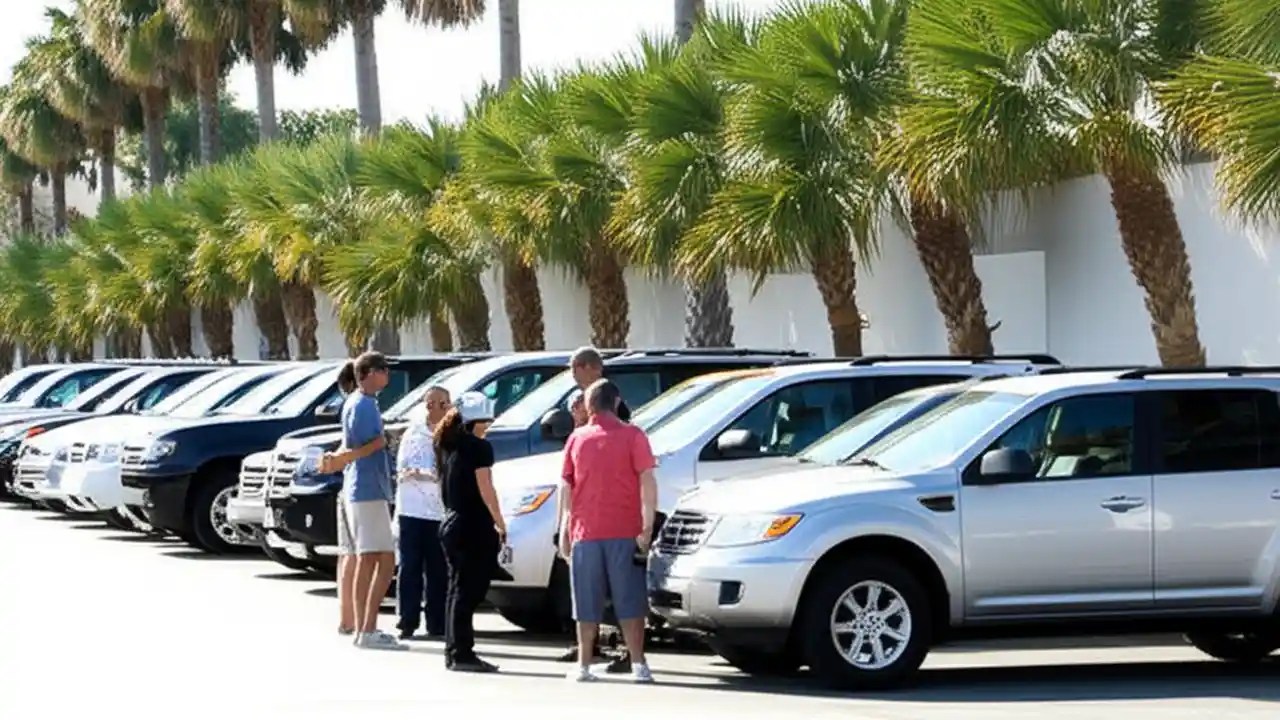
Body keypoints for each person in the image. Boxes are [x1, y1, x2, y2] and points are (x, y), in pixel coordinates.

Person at [559, 379, 658, 684]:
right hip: (624, 530)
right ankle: (639, 665)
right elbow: (647, 481)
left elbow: (566, 486)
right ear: (616, 403)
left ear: (588, 406)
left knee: (586, 602)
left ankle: (584, 665)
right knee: (629, 599)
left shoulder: (577, 439)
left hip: (585, 532)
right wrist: (647, 525)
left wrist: (563, 528)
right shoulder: (634, 435)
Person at [321, 351, 404, 651]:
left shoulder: (360, 403)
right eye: (383, 370)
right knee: (380, 558)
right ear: (368, 373)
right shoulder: (363, 404)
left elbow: (351, 446)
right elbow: (361, 445)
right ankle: (366, 628)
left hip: (366, 488)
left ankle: (361, 627)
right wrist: (381, 443)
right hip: (367, 489)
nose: (387, 375)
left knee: (368, 558)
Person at [436, 391, 505, 673]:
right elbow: (485, 487)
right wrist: (499, 520)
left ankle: (454, 650)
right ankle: (462, 652)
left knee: (457, 590)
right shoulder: (479, 447)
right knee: (468, 591)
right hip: (472, 526)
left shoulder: (450, 445)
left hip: (453, 523)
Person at [394, 385, 451, 640]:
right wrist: (425, 475)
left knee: (438, 569)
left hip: (438, 511)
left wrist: (424, 475)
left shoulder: (451, 435)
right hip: (412, 509)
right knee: (410, 567)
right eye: (438, 403)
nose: (442, 408)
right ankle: (407, 620)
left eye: (446, 403)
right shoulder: (413, 434)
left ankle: (436, 622)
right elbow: (405, 470)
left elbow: (445, 471)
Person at [332, 362, 359, 637]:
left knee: (346, 554)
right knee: (354, 555)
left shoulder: (349, 407)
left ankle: (346, 617)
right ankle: (353, 618)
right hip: (358, 491)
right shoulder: (358, 406)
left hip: (348, 488)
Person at [569, 347, 630, 421]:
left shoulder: (608, 396)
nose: (572, 373)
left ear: (587, 367)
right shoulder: (577, 399)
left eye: (574, 367)